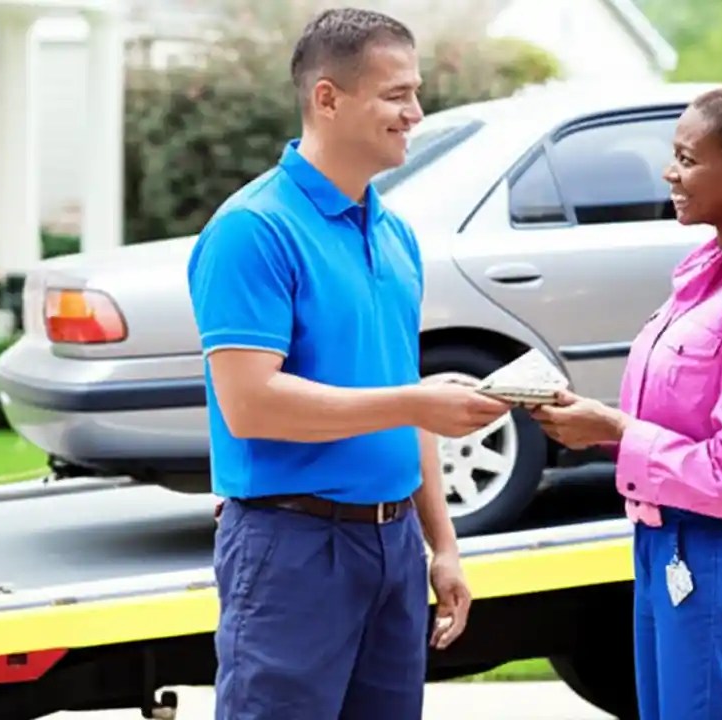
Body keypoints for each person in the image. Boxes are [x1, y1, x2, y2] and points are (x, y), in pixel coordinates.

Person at [185, 8, 513, 720]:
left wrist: (443, 545)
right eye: (396, 95)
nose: (416, 113)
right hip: (290, 550)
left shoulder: (394, 236)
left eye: (415, 92)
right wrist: (415, 403)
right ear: (327, 99)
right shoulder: (252, 231)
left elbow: (403, 390)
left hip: (393, 550)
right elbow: (252, 404)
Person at [529, 84, 722, 720]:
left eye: (689, 159)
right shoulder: (707, 272)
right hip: (666, 541)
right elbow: (681, 423)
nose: (670, 172)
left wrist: (617, 427)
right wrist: (597, 428)